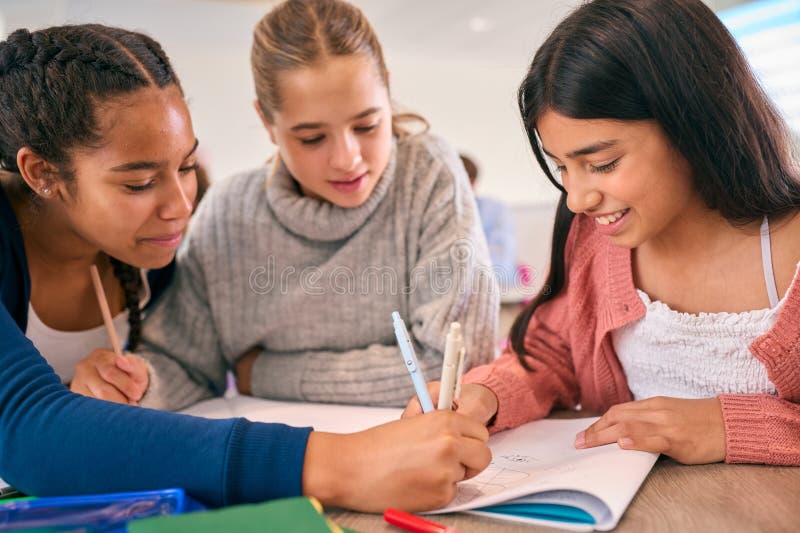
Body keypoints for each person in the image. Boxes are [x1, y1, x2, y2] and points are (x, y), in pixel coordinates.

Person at [0, 23, 491, 512]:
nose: (181, 206)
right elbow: (29, 429)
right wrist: (342, 465)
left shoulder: (149, 253)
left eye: (187, 167)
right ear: (42, 174)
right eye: (141, 183)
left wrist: (138, 382)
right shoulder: (194, 227)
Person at [405, 0, 800, 466]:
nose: (577, 200)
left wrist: (730, 425)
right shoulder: (594, 240)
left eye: (602, 164)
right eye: (562, 168)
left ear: (696, 123)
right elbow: (552, 357)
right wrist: (486, 394)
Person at [83, 0, 498, 411]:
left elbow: (455, 368)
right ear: (267, 122)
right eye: (312, 138)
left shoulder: (427, 172)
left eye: (367, 125)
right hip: (282, 464)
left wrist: (262, 373)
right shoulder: (228, 215)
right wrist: (136, 382)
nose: (347, 158)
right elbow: (185, 366)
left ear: (387, 93)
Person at [460, 153, 518, 290]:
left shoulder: (495, 210)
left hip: (495, 290)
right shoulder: (435, 214)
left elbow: (502, 263)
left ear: (471, 181)